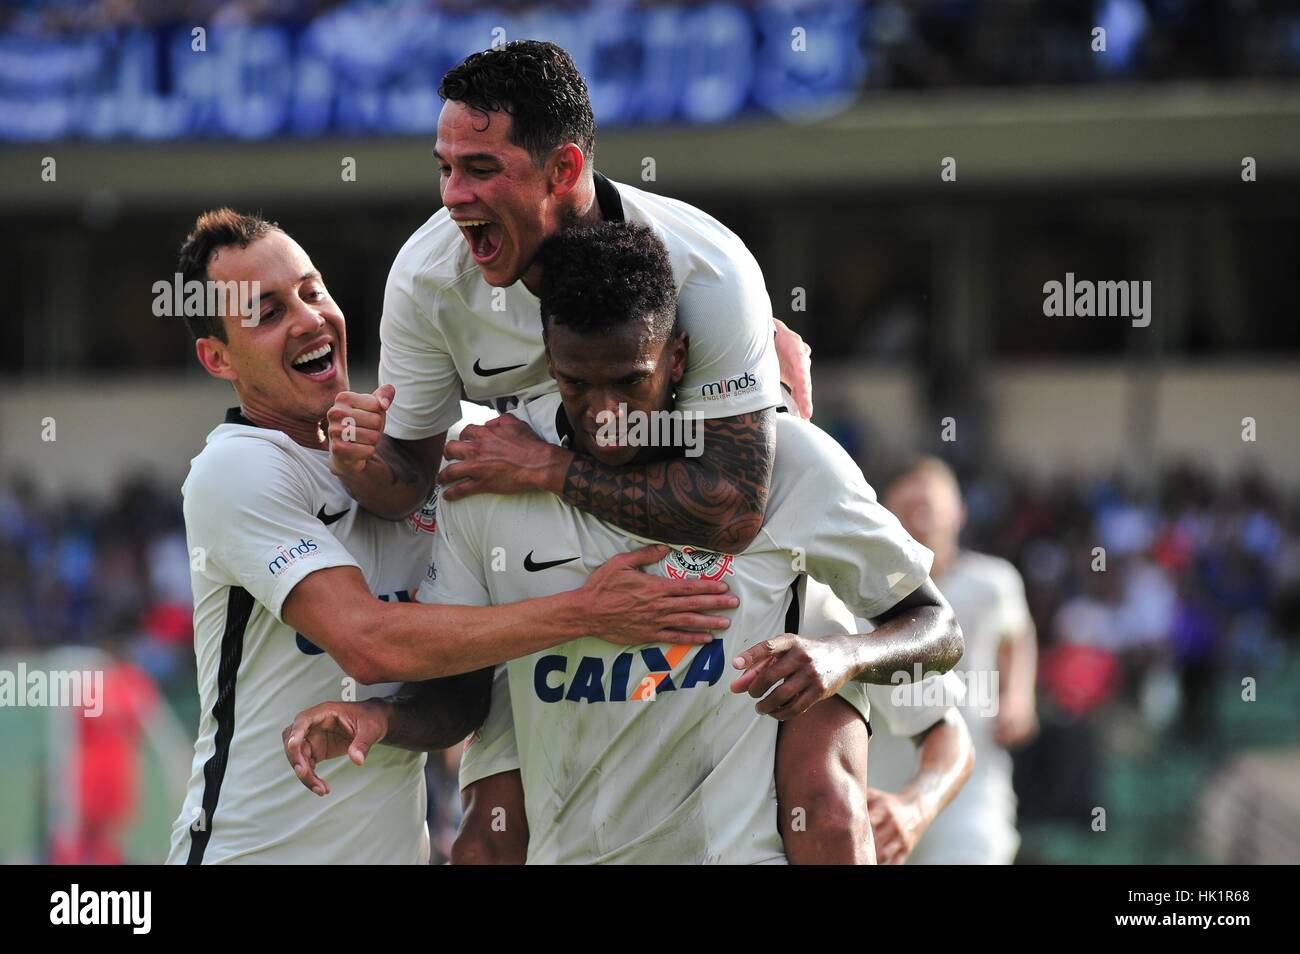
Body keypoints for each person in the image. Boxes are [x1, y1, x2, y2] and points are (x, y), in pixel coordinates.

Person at [287, 223, 964, 863]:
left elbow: (935, 627)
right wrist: (382, 718)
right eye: (578, 384)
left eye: (630, 381)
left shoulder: (786, 464)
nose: (605, 414)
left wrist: (841, 655)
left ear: (678, 357)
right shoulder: (487, 480)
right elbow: (462, 698)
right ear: (549, 360)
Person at [166, 210, 736, 864]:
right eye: (266, 313)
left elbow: (615, 386)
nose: (307, 319)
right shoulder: (236, 468)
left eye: (311, 290)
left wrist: (747, 352)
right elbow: (370, 645)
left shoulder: (447, 442)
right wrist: (587, 613)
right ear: (217, 358)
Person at [867, 457, 1038, 864]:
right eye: (907, 510)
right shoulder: (862, 592)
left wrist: (1018, 697)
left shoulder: (994, 583)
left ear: (958, 513)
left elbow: (1018, 635)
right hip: (881, 783)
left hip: (972, 783)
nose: (920, 519)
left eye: (929, 506)